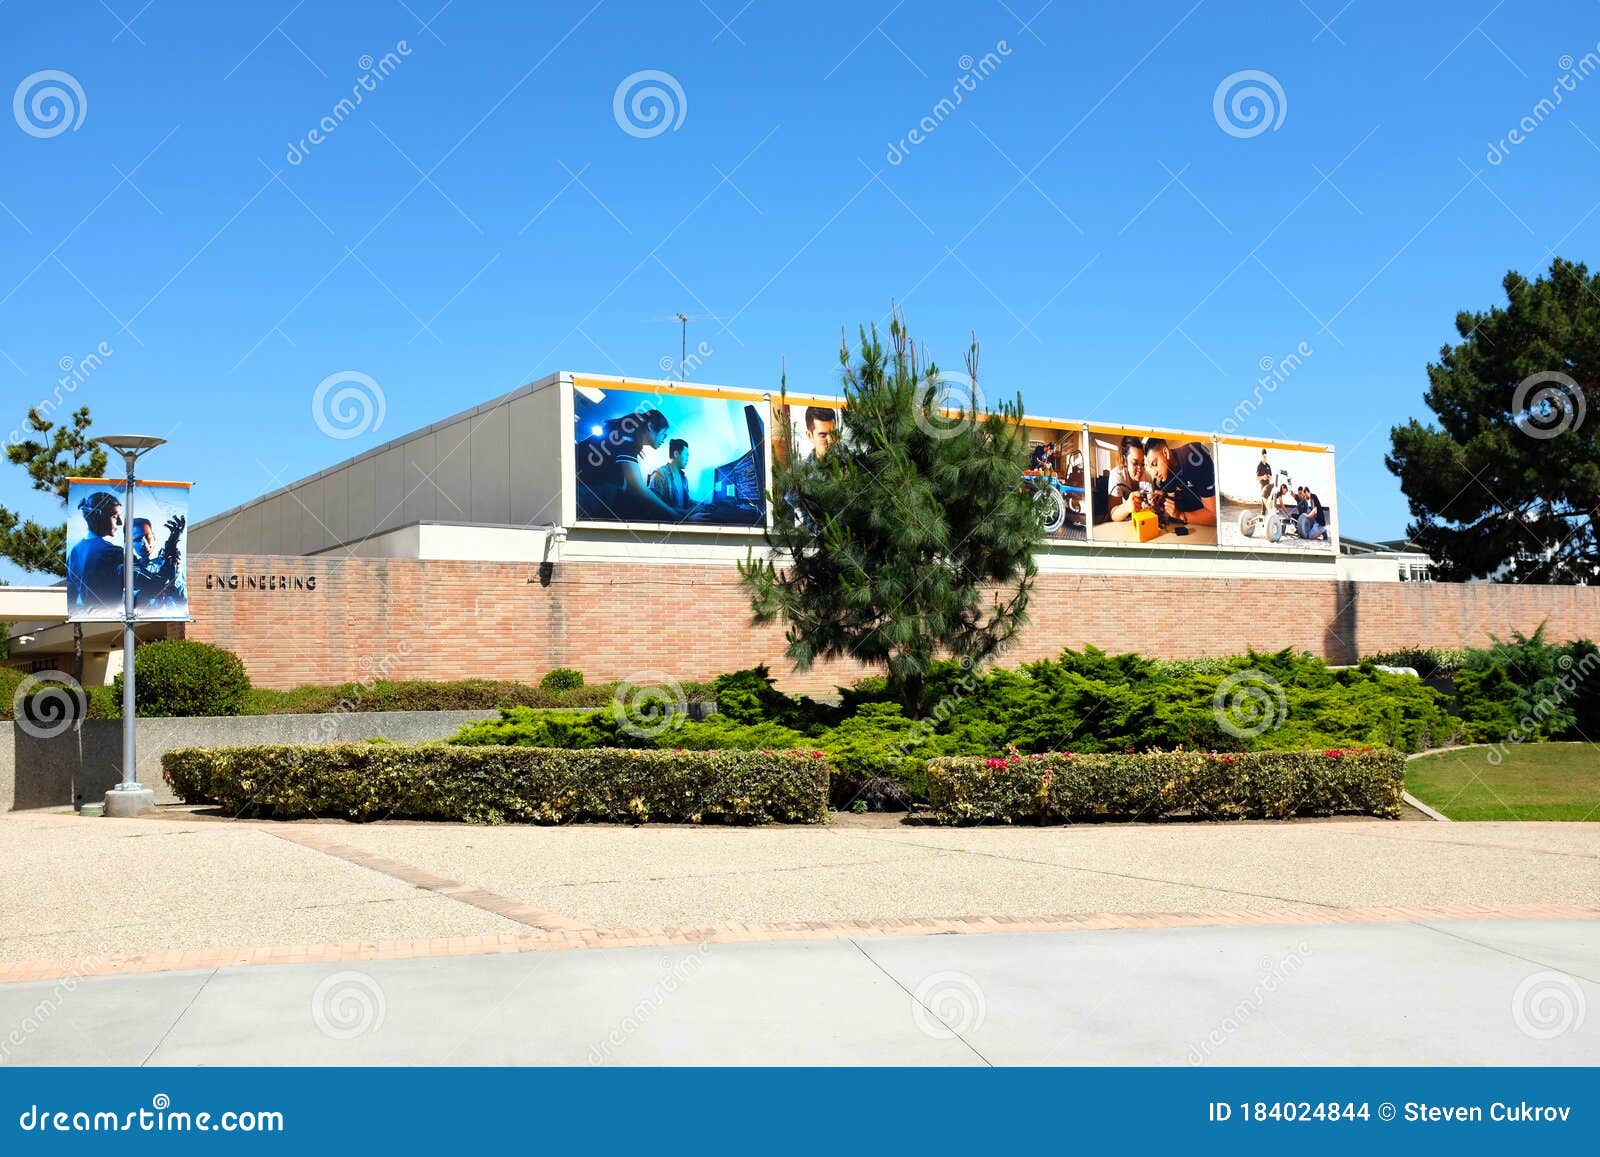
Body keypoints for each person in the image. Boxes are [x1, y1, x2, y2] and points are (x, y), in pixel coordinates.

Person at [577, 408, 685, 522]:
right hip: (579, 490)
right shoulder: (627, 436)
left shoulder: (627, 436)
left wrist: (675, 511)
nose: (664, 438)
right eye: (663, 433)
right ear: (650, 426)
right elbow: (637, 487)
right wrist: (675, 515)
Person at [66, 491, 125, 614]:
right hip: (113, 619)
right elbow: (152, 585)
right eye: (114, 516)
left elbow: (70, 596)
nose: (120, 522)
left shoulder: (74, 552)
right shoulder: (113, 552)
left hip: (88, 618)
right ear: (97, 518)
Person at [1144, 438, 1217, 527]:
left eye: (1155, 464)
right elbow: (1169, 499)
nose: (1154, 473)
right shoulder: (1164, 474)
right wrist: (1161, 498)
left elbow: (1214, 516)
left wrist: (1180, 515)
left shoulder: (1194, 455)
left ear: (1166, 453)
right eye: (1150, 467)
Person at [1107, 436, 1149, 521]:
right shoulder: (1116, 475)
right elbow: (1112, 514)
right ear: (1124, 460)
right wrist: (1126, 507)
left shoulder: (1147, 476)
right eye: (1135, 463)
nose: (1140, 469)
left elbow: (1151, 507)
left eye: (1142, 463)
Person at [647, 438, 692, 510]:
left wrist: (701, 506)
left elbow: (686, 501)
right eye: (686, 455)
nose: (688, 459)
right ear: (676, 454)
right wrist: (687, 516)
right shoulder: (659, 475)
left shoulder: (683, 478)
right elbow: (656, 507)